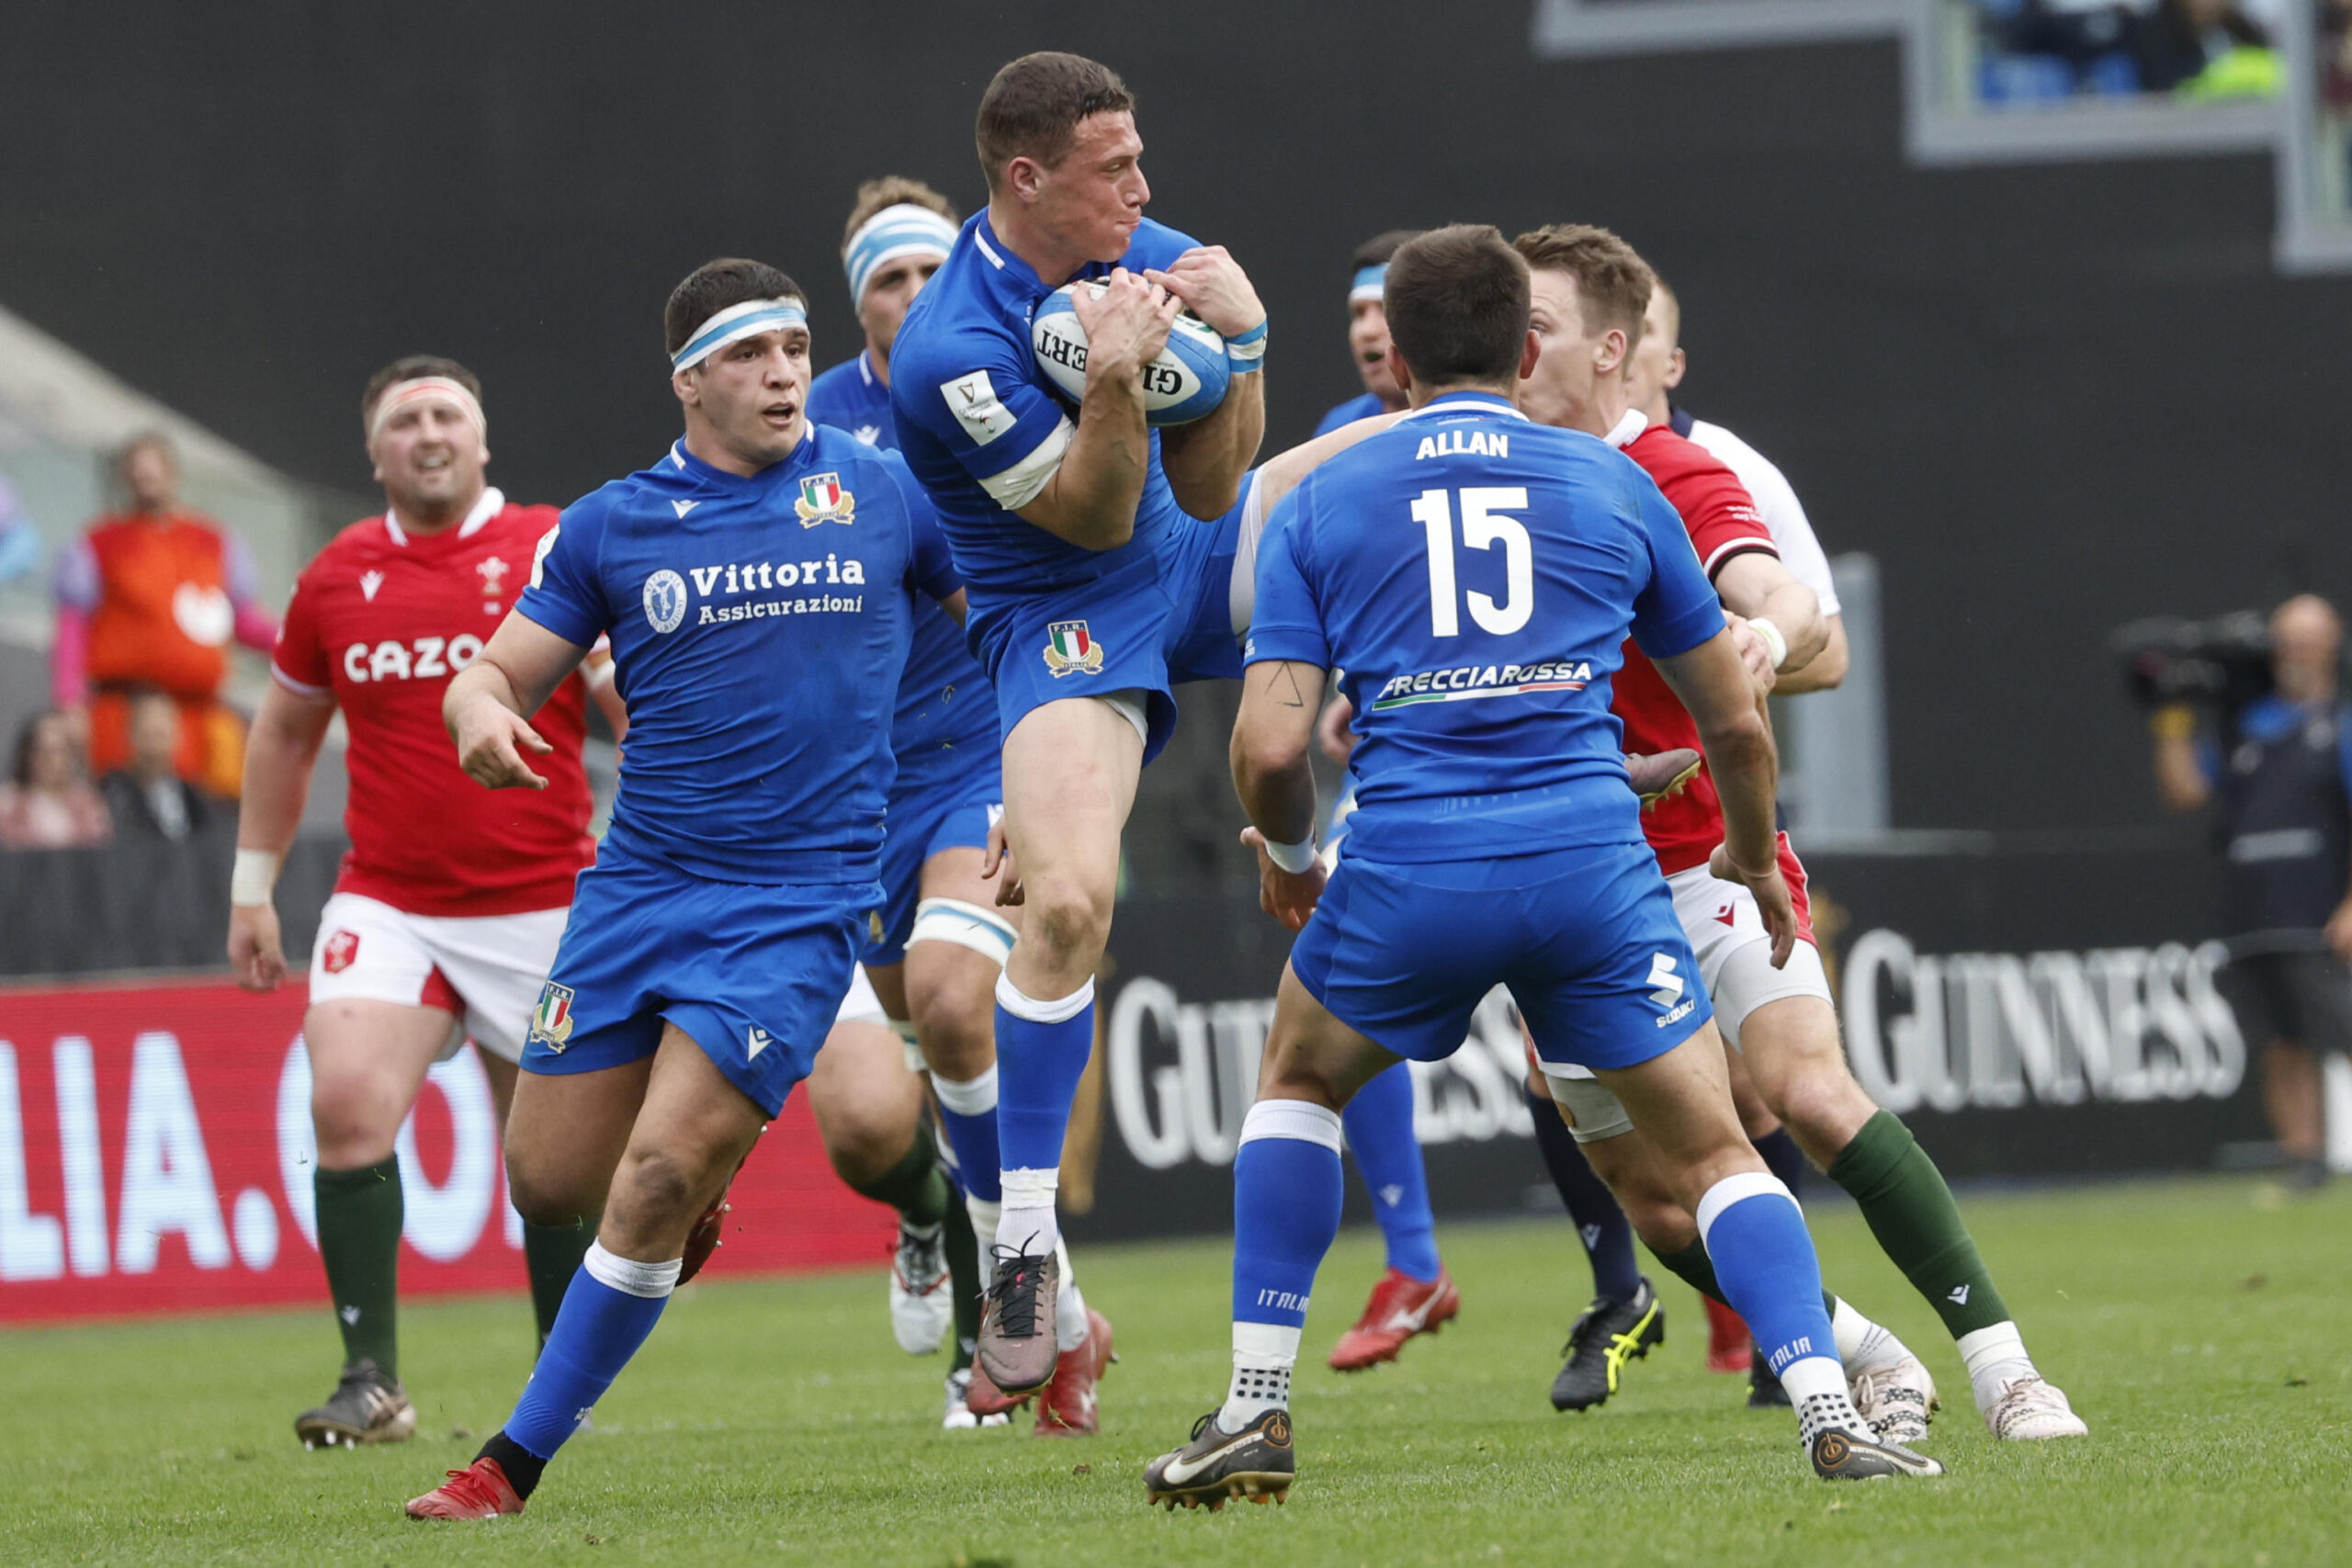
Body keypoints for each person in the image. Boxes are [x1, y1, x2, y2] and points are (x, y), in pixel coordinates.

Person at [1143, 227, 1941, 1509]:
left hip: (1411, 861)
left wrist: (1293, 856)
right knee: (1718, 1150)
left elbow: (1273, 743)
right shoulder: (1611, 483)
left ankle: (1255, 1407)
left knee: (1297, 1076)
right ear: (1526, 349)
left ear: (1393, 360)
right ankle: (1831, 1410)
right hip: (1587, 865)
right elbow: (1734, 715)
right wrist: (1750, 848)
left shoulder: (1327, 497)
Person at [405, 257, 965, 1519]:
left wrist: (1023, 789)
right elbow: (489, 674)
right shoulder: (611, 522)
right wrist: (481, 714)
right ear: (690, 381)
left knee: (653, 1177)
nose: (784, 372)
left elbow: (998, 625)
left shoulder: (879, 489)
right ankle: (684, 1209)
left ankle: (509, 1461)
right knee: (548, 1179)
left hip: (797, 902)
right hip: (639, 891)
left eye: (793, 346)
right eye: (752, 353)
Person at [1508, 224, 2085, 1442]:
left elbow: (1776, 592)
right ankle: (1870, 1349)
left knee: (1808, 1092)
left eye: (1540, 326)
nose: (1515, 347)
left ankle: (2008, 1367)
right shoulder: (1487, 474)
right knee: (1656, 1203)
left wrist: (1760, 634)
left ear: (1613, 351)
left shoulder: (1676, 468)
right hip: (1565, 885)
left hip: (1711, 859)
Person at [888, 51, 1268, 1401]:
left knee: (1384, 504)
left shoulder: (1146, 249)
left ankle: (1529, 763)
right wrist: (1115, 378)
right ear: (1027, 177)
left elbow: (1213, 486)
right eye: (1115, 168)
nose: (1145, 190)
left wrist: (1248, 348)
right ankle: (1028, 1242)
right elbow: (1092, 518)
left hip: (1186, 558)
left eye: (1141, 158)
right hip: (1065, 608)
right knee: (1066, 909)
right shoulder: (949, 349)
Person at [228, 356, 623, 1450]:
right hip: (390, 899)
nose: (429, 432)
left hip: (543, 901)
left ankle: (562, 1391)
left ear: (484, 440)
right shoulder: (334, 575)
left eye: (448, 413)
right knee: (344, 1103)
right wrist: (252, 887)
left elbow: (620, 699)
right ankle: (371, 1382)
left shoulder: (549, 542)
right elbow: (284, 731)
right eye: (406, 419)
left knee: (552, 1170)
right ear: (375, 452)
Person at [808, 174, 1105, 1435]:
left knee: (948, 996)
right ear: (858, 304)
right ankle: (940, 1225)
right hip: (839, 793)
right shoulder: (805, 417)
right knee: (874, 1119)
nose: (915, 296)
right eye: (888, 277)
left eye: (932, 269)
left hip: (970, 753)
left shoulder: (1015, 371)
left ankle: (1002, 1316)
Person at [1615, 265, 1849, 1392]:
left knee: (1765, 1095)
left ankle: (1794, 1345)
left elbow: (1824, 647)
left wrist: (1717, 671)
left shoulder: (1717, 468)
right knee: (1632, 1157)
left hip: (1705, 831)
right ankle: (1634, 1293)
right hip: (1581, 846)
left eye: (1644, 335)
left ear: (1663, 355)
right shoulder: (1531, 460)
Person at [2154, 593, 2352, 1192]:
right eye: (2287, 638)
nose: (2297, 649)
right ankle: (2305, 1160)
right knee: (2280, 1044)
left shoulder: (2339, 725)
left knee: (2342, 1033)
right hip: (2256, 909)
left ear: (2333, 642)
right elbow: (2187, 790)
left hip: (2320, 913)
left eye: (2309, 637)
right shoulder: (2249, 728)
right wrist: (2170, 717)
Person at [52, 433, 276, 799]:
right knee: (123, 810)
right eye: (138, 475)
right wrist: (69, 700)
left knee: (206, 819)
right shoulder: (98, 542)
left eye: (153, 473)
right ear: (125, 479)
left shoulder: (215, 541)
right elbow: (73, 626)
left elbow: (244, 620)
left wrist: (296, 640)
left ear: (172, 473)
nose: (147, 482)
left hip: (198, 719)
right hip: (121, 717)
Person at [1309, 230, 1417, 436]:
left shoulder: (1484, 424)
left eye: (1386, 310)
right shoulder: (1338, 428)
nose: (1367, 331)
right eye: (1359, 313)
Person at [97, 686, 216, 840]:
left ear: (178, 734)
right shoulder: (113, 794)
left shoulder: (194, 797)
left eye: (161, 732)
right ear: (130, 734)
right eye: (148, 732)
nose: (155, 741)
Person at [0, 709, 111, 848]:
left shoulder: (88, 805)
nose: (48, 759)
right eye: (41, 749)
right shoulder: (8, 805)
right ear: (27, 755)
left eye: (57, 751)